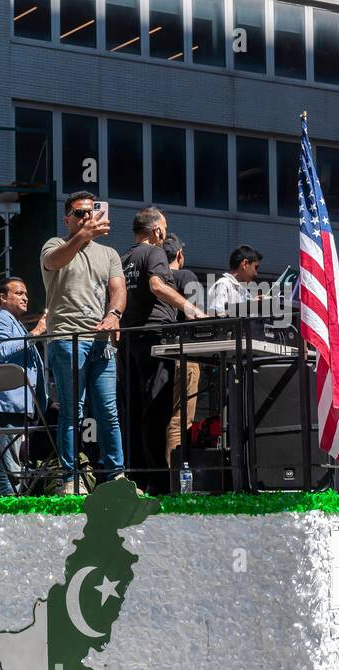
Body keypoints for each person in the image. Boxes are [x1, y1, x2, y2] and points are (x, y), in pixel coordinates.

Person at [41, 191, 128, 494]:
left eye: (90, 212)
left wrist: (114, 314)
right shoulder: (54, 245)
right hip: (67, 337)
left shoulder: (109, 254)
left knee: (107, 410)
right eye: (79, 213)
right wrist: (82, 236)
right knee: (71, 411)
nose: (86, 218)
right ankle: (70, 477)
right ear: (67, 219)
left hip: (101, 341)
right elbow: (55, 261)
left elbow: (118, 289)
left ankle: (115, 476)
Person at [119, 207, 208, 492]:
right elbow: (157, 285)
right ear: (157, 231)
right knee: (157, 411)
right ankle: (159, 482)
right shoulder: (154, 253)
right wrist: (189, 307)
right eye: (165, 228)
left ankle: (137, 479)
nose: (165, 233)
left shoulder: (123, 259)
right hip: (155, 339)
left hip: (129, 341)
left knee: (133, 412)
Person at [0, 277, 47, 495]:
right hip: (5, 404)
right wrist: (35, 332)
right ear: (3, 297)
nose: (25, 297)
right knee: (9, 468)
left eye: (26, 294)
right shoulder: (0, 320)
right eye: (19, 293)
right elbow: (1, 350)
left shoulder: (12, 322)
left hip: (13, 404)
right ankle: (6, 514)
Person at [162, 235, 203, 469]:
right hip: (184, 355)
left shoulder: (155, 279)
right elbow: (195, 315)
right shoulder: (186, 276)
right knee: (181, 419)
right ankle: (176, 478)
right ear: (179, 255)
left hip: (158, 357)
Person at [207, 245, 263, 316]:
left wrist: (256, 303)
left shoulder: (244, 291)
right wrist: (247, 307)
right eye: (256, 267)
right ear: (245, 264)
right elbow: (216, 314)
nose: (256, 274)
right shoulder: (224, 283)